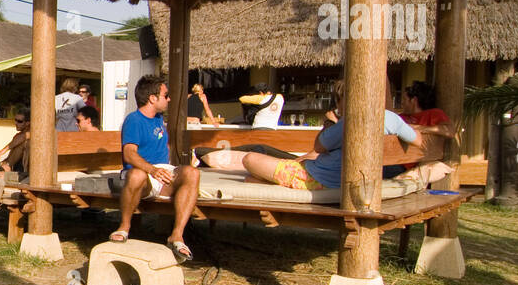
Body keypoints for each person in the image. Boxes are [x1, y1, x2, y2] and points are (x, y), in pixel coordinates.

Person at [203, 81, 449, 191]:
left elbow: (318, 147)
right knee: (258, 167)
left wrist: (330, 124)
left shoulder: (351, 122)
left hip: (318, 178)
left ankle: (275, 180)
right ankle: (273, 179)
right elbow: (420, 144)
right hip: (347, 177)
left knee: (250, 160)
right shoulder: (392, 119)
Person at [114, 76, 199, 262]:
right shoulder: (134, 120)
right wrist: (152, 170)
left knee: (192, 173)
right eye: (165, 95)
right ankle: (124, 226)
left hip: (160, 172)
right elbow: (129, 154)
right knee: (137, 174)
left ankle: (176, 235)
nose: (168, 99)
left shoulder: (158, 118)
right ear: (152, 98)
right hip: (141, 174)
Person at [0, 109, 31, 177]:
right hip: (15, 166)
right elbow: (20, 137)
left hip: (26, 171)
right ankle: (6, 166)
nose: (16, 123)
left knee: (22, 142)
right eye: (15, 120)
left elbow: (23, 136)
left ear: (27, 123)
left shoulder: (32, 132)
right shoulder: (18, 136)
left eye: (19, 121)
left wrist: (1, 152)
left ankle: (7, 166)